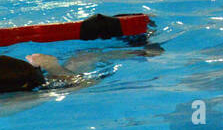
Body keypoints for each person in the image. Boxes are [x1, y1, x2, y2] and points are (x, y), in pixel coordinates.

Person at [0, 44, 162, 95]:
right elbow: (84, 84)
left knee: (82, 58)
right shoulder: (21, 101)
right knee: (83, 60)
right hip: (48, 89)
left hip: (29, 83)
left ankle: (143, 51)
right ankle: (149, 52)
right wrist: (53, 67)